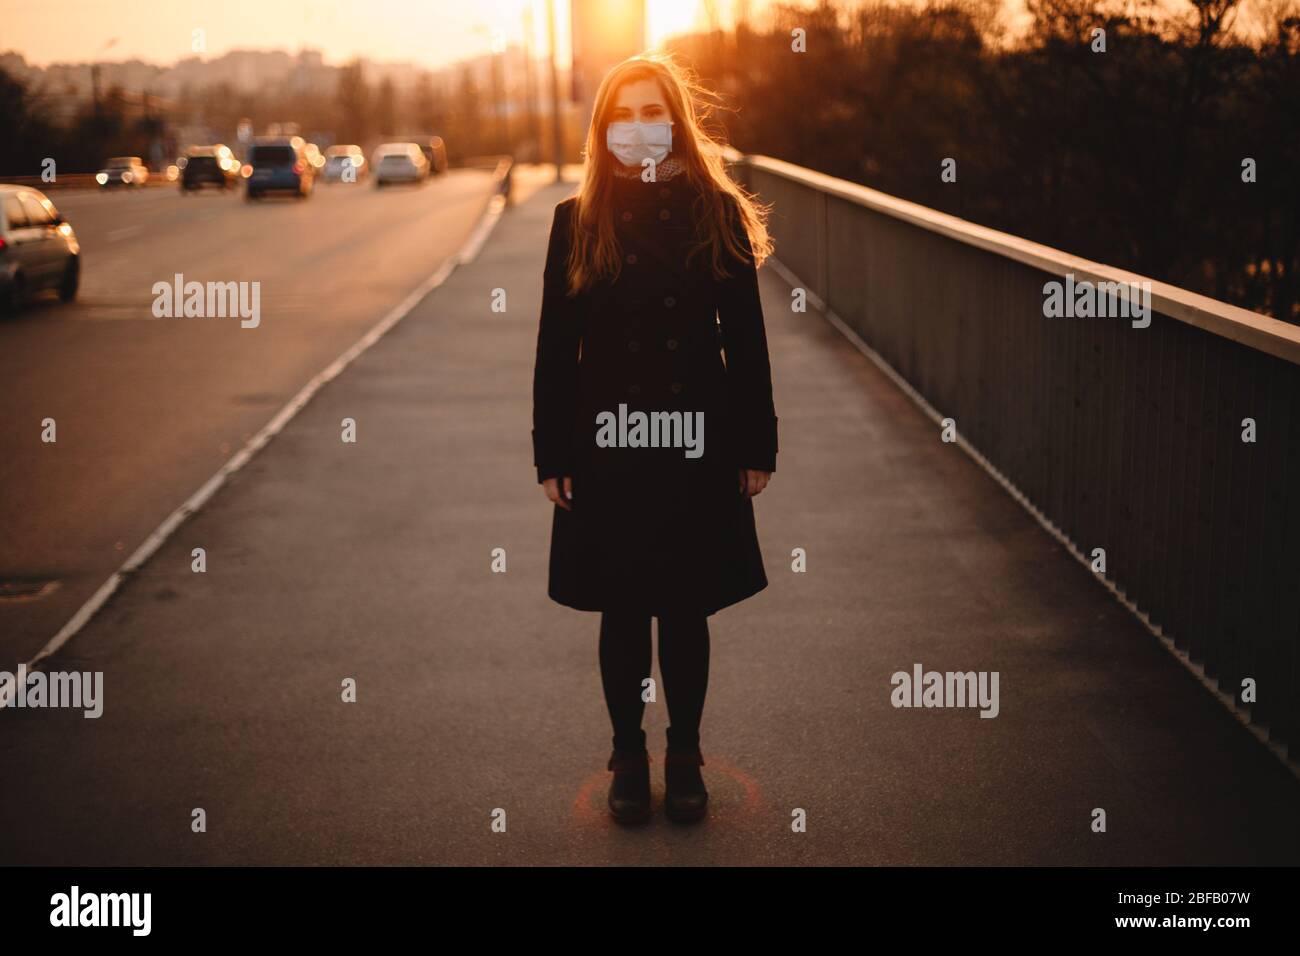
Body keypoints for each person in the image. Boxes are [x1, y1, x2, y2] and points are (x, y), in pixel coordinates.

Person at [531, 53, 778, 825]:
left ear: (676, 122)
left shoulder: (716, 212)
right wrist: (552, 455)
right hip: (608, 439)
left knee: (685, 604)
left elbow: (746, 338)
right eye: (623, 117)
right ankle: (628, 756)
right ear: (602, 133)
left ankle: (686, 752)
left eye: (652, 113)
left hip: (696, 437)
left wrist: (755, 445)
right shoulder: (577, 220)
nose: (640, 130)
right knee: (622, 606)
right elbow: (554, 348)